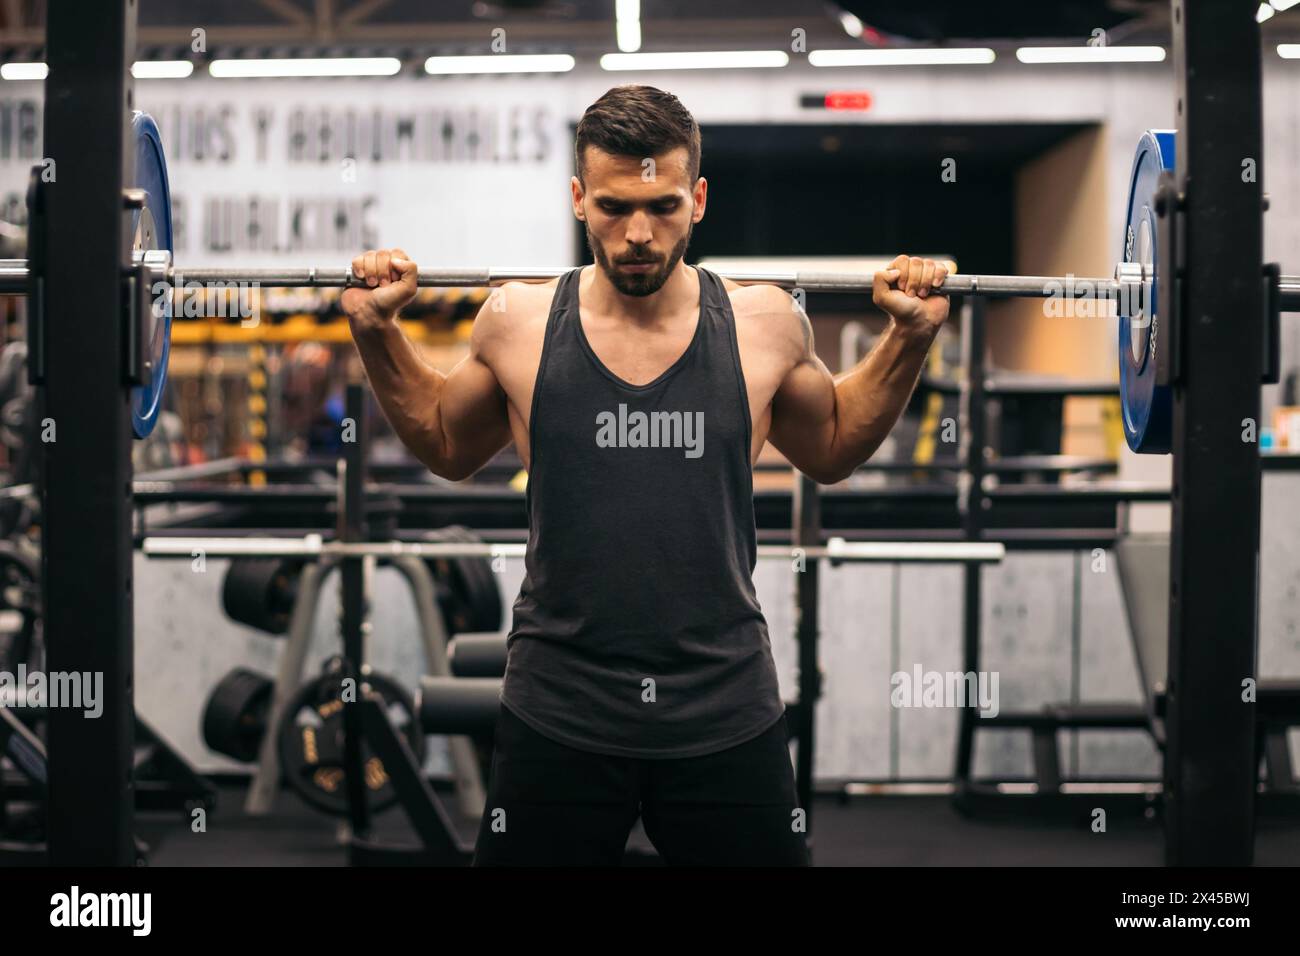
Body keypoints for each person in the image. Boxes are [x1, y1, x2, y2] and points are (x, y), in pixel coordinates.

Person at [341, 85, 949, 866]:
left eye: (662, 207)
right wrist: (376, 331)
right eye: (612, 206)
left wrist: (909, 340)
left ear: (697, 199)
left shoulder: (764, 324)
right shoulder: (518, 322)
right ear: (577, 200)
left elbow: (832, 443)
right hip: (559, 707)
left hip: (723, 704)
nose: (636, 234)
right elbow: (446, 445)